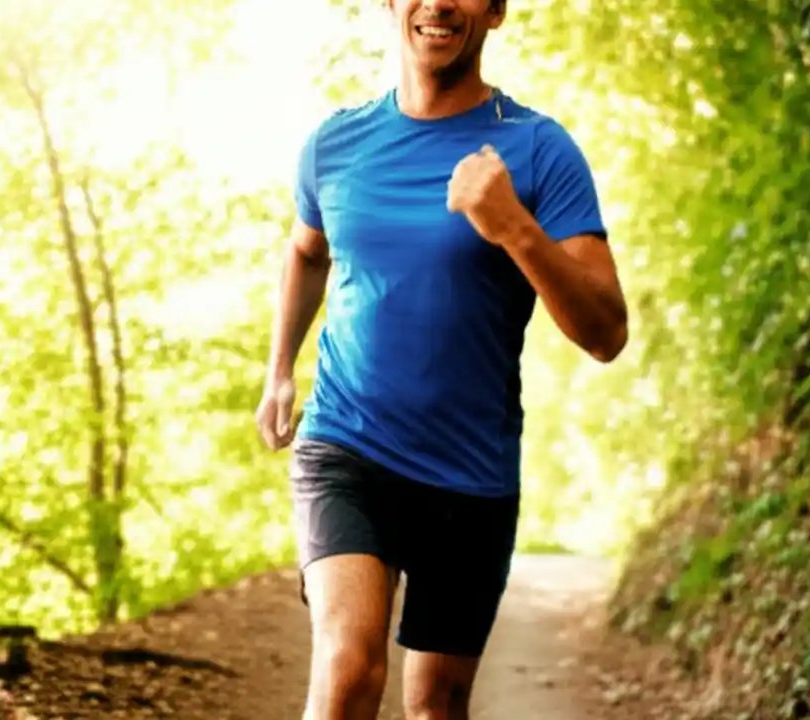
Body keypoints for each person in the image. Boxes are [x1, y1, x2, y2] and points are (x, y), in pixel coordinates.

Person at [254, 0, 629, 717]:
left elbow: (606, 333)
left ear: (494, 12)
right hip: (347, 446)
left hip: (470, 473)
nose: (439, 3)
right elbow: (306, 251)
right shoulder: (336, 145)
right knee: (350, 668)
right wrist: (280, 368)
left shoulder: (538, 150)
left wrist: (515, 226)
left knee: (436, 704)